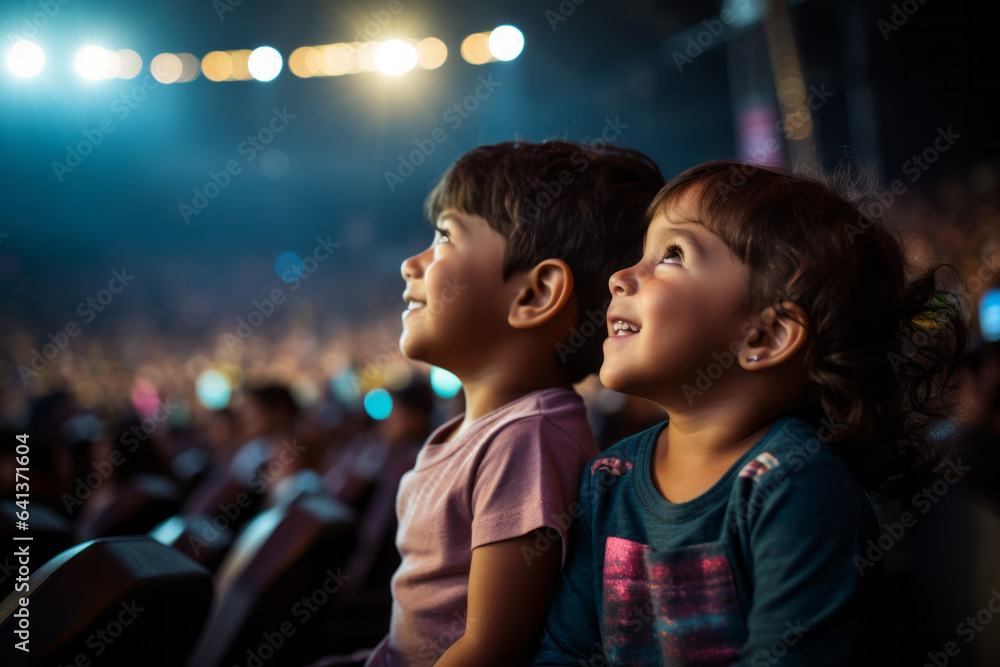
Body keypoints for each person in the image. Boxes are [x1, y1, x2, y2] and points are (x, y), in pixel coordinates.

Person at [533, 160, 968, 665]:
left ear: (766, 336)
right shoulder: (610, 478)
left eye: (672, 255)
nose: (619, 278)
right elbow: (563, 651)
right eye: (641, 254)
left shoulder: (792, 486)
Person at [362, 140, 665, 667]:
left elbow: (489, 648)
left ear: (535, 294)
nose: (411, 264)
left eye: (445, 237)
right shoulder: (489, 430)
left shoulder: (526, 439)